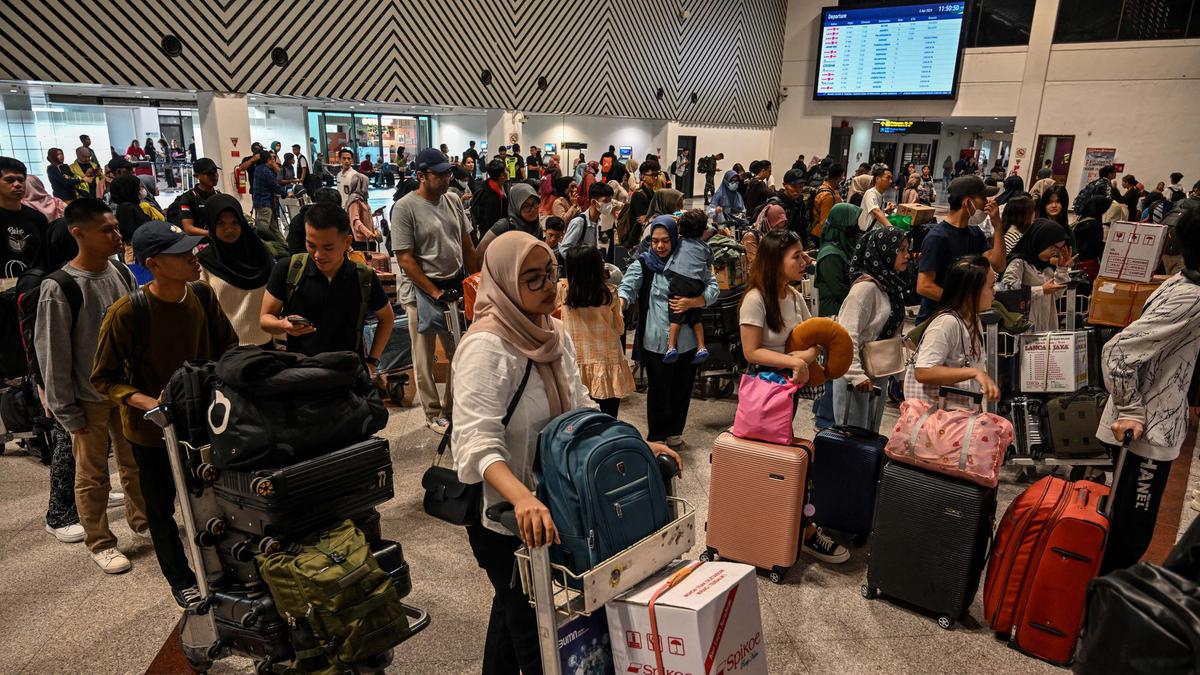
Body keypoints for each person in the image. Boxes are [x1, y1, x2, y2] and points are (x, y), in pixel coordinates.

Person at [450, 230, 679, 674]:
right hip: (506, 516)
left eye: (550, 274)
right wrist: (521, 498)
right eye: (531, 279)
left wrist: (634, 441)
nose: (547, 286)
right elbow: (476, 442)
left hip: (554, 504)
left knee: (511, 606)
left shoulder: (554, 331)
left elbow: (582, 409)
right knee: (534, 632)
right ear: (501, 283)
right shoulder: (485, 346)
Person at [91, 220, 239, 607]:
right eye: (182, 254)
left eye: (192, 249)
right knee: (160, 507)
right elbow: (103, 378)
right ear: (154, 264)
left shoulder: (202, 295)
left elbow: (228, 347)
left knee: (214, 496)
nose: (194, 257)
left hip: (206, 421)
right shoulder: (127, 312)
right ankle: (179, 577)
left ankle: (224, 566)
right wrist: (147, 403)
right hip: (152, 432)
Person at [34, 198, 145, 571]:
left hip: (126, 391)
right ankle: (100, 541)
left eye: (116, 228)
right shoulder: (59, 286)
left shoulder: (121, 272)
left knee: (134, 463)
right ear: (78, 233)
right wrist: (64, 408)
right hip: (87, 396)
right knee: (92, 473)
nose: (117, 236)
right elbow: (53, 353)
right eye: (107, 230)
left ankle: (143, 522)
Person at [1097, 207, 1200, 573]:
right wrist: (1131, 411)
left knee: (1126, 525)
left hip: (1156, 422)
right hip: (1146, 430)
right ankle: (1096, 611)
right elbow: (1119, 351)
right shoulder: (1190, 296)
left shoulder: (1179, 282)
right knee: (1129, 532)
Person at [737, 228, 847, 562]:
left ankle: (793, 527)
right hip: (762, 394)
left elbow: (811, 341)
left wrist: (803, 358)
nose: (804, 261)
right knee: (769, 463)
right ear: (775, 261)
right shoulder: (756, 299)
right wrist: (794, 360)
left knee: (784, 463)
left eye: (803, 254)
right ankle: (795, 530)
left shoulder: (794, 296)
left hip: (787, 391)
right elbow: (751, 352)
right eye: (796, 256)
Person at [392, 148, 479, 433]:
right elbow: (405, 258)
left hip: (453, 286)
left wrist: (477, 280)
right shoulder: (405, 208)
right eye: (439, 174)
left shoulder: (452, 200)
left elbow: (467, 245)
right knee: (424, 354)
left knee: (459, 351)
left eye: (448, 173)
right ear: (420, 175)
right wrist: (434, 292)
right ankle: (432, 413)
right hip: (421, 289)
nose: (446, 179)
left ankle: (452, 408)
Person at [618, 215, 718, 448]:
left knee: (682, 389)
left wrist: (695, 301)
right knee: (659, 391)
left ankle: (675, 431)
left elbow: (712, 284)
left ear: (676, 239)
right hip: (655, 340)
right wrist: (621, 302)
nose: (660, 246)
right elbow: (628, 285)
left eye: (665, 241)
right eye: (655, 241)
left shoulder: (690, 260)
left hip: (687, 341)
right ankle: (657, 436)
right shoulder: (644, 263)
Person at [260, 203, 392, 363]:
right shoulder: (288, 269)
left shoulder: (364, 276)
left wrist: (372, 361)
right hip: (300, 372)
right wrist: (283, 325)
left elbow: (387, 318)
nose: (318, 255)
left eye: (328, 247)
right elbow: (265, 319)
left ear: (347, 242)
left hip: (347, 373)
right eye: (311, 245)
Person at [836, 227, 911, 432]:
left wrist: (900, 376)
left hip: (878, 372)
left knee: (870, 434)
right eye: (901, 250)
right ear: (884, 252)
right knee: (851, 436)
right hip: (856, 377)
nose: (907, 255)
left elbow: (893, 333)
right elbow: (846, 334)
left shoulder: (890, 286)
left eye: (907, 249)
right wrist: (856, 375)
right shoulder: (865, 289)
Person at [905, 255, 1000, 404]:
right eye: (991, 286)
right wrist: (974, 372)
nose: (994, 291)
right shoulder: (946, 323)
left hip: (958, 416)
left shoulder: (973, 319)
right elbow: (923, 371)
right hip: (938, 420)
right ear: (971, 291)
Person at [916, 176, 1005, 321]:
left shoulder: (975, 233)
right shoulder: (937, 238)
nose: (987, 203)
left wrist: (998, 226)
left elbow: (998, 265)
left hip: (964, 317)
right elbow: (924, 286)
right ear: (967, 202)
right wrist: (962, 303)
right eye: (983, 198)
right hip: (936, 319)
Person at [559, 245, 634, 416]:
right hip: (607, 361)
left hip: (575, 360)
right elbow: (619, 328)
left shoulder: (563, 290)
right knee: (607, 417)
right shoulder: (610, 293)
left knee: (577, 417)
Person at [198, 195, 274, 347]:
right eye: (221, 224)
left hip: (265, 344)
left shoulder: (261, 255)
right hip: (227, 350)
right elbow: (203, 313)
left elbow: (277, 301)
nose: (229, 230)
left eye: (235, 222)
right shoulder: (205, 262)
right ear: (211, 226)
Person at [998, 218, 1071, 332]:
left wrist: (1062, 269)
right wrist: (1040, 290)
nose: (1056, 252)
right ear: (1040, 240)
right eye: (1053, 247)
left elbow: (1055, 294)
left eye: (1059, 248)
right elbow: (1008, 289)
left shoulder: (1045, 266)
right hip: (1024, 327)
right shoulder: (1019, 262)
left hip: (1045, 326)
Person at [662, 210, 713, 364]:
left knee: (676, 313)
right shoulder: (705, 248)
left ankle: (671, 347)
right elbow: (709, 261)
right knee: (695, 315)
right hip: (697, 283)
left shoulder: (679, 242)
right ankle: (701, 346)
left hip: (679, 281)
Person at [815, 202, 861, 319]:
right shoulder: (830, 255)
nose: (856, 227)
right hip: (835, 315)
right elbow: (840, 291)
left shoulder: (842, 247)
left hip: (847, 310)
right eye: (853, 223)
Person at [477, 182, 540, 262]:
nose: (533, 210)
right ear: (516, 206)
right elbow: (480, 251)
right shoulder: (504, 226)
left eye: (535, 204)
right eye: (526, 206)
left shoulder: (536, 225)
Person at [110, 174, 164, 256]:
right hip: (137, 253)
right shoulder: (128, 208)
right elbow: (134, 234)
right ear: (130, 189)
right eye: (139, 187)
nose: (141, 190)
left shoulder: (129, 206)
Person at [165, 157, 220, 237]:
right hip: (197, 243)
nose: (214, 175)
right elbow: (189, 229)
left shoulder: (219, 196)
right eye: (209, 173)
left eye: (215, 172)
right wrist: (214, 234)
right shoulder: (188, 198)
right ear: (197, 176)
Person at [561, 182, 612, 252]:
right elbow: (564, 249)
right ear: (594, 202)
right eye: (605, 201)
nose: (609, 204)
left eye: (610, 201)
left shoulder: (600, 222)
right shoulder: (578, 222)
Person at [620, 161, 659, 247]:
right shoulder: (639, 195)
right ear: (643, 177)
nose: (655, 178)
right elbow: (643, 220)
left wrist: (651, 217)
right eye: (652, 175)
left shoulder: (653, 194)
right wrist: (653, 217)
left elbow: (648, 218)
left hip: (646, 237)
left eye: (656, 175)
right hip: (637, 240)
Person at [251, 152, 287, 241]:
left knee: (274, 229)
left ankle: (285, 247)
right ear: (268, 160)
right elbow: (274, 185)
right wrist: (284, 193)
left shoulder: (258, 169)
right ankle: (259, 247)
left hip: (259, 202)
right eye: (272, 159)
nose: (273, 161)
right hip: (265, 203)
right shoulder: (266, 171)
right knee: (262, 231)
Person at [470, 158, 509, 239]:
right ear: (501, 175)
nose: (508, 171)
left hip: (502, 231)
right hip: (490, 235)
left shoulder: (503, 185)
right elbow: (489, 222)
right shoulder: (487, 193)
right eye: (506, 170)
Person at [346, 176, 380, 251]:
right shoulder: (355, 200)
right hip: (361, 241)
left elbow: (362, 217)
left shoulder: (361, 199)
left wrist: (374, 214)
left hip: (368, 239)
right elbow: (355, 221)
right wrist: (369, 234)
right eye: (366, 184)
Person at [857, 166, 894, 231]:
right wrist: (891, 228)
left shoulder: (880, 196)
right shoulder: (871, 193)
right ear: (877, 179)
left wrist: (886, 210)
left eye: (891, 178)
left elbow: (875, 213)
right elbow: (876, 211)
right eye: (888, 178)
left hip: (876, 232)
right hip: (868, 234)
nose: (890, 181)